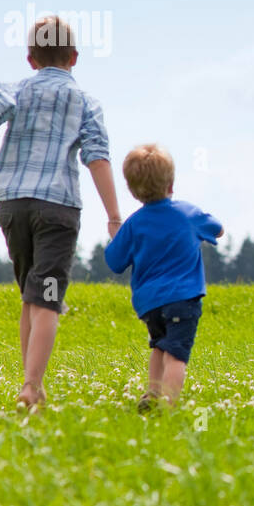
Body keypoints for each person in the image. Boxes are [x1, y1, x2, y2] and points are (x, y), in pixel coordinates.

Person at [0, 15, 123, 409]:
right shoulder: (85, 101)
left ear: (30, 59)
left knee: (30, 296)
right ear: (74, 57)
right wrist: (114, 215)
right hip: (58, 210)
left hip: (14, 206)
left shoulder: (14, 89)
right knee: (48, 296)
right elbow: (97, 157)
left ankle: (29, 383)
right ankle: (32, 386)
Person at [105, 144, 222, 411]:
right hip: (183, 298)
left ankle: (152, 393)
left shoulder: (133, 223)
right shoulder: (187, 213)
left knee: (159, 346)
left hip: (149, 304)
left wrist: (117, 235)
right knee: (177, 355)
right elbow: (217, 228)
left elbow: (114, 261)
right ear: (171, 184)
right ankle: (167, 405)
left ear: (133, 190)